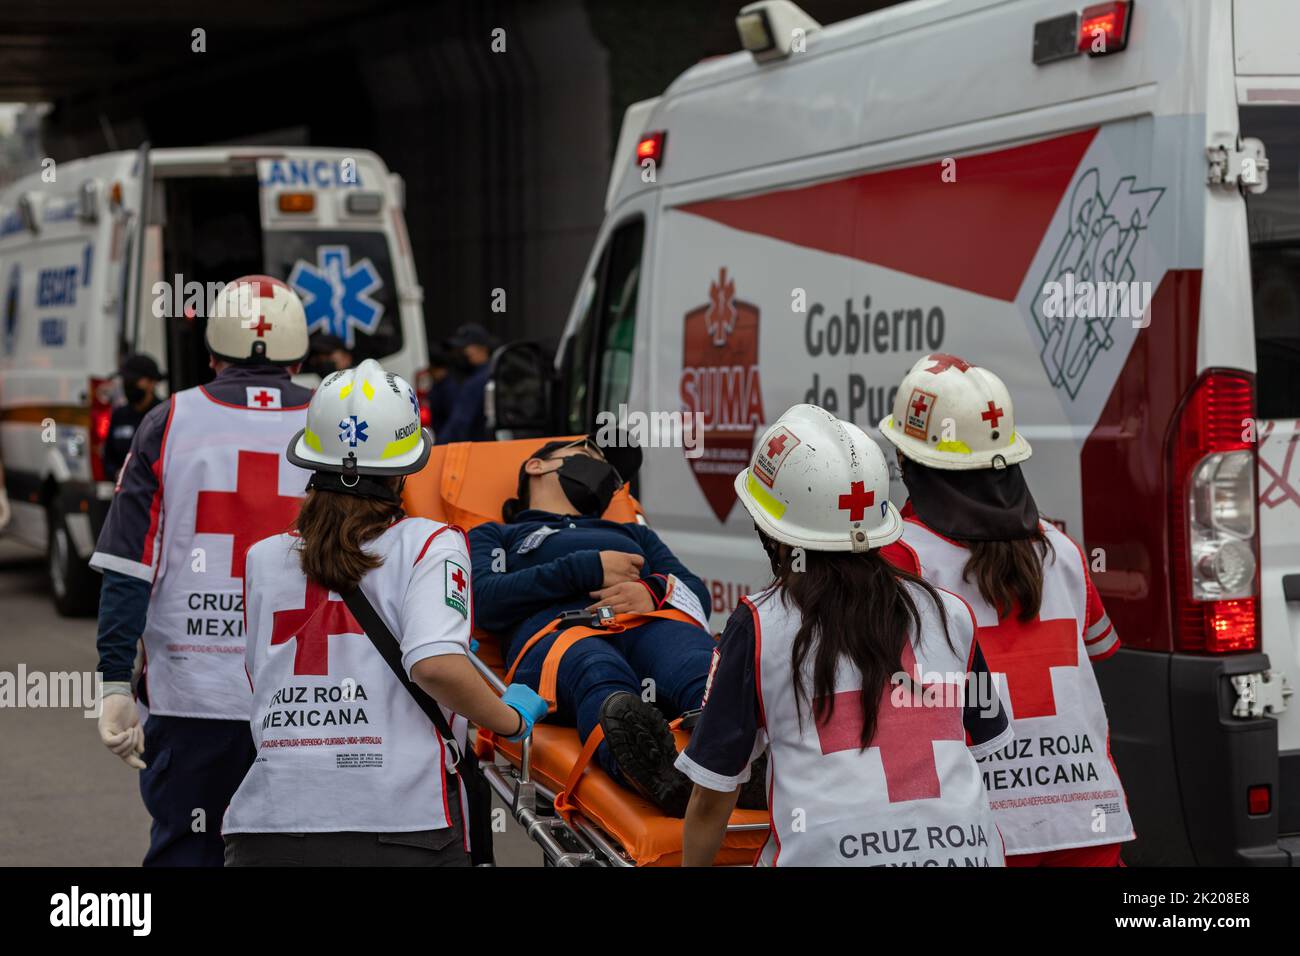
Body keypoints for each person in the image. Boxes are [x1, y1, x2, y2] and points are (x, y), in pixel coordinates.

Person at [223, 359, 547, 866]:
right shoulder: (431, 544)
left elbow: (259, 676)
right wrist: (509, 720)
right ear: (403, 471)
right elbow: (435, 665)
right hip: (399, 825)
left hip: (269, 828)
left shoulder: (262, 558)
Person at [678, 404, 1012, 866]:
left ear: (771, 531)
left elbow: (711, 797)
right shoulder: (950, 613)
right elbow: (988, 745)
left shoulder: (759, 626)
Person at [89, 276, 314, 866]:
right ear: (299, 357)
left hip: (194, 699)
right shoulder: (337, 420)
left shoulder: (169, 421)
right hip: (317, 700)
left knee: (189, 853)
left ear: (212, 353)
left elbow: (128, 568)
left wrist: (114, 683)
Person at [877, 353, 1133, 866]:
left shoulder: (900, 559)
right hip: (1086, 817)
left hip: (978, 829)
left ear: (907, 462)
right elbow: (1097, 653)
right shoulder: (1062, 550)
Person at [469, 436, 760, 816]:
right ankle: (659, 779)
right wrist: (585, 569)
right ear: (536, 466)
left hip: (651, 625)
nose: (601, 468)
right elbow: (484, 599)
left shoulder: (634, 534)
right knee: (597, 670)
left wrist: (653, 590)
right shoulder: (497, 535)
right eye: (587, 454)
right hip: (560, 635)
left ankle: (747, 766)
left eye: (607, 467)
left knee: (698, 664)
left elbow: (695, 593)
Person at [103, 353, 163, 480]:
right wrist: (117, 474)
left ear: (152, 382)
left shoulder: (164, 414)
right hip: (126, 488)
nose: (128, 384)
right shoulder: (119, 415)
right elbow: (108, 459)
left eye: (134, 380)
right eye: (125, 380)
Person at [436, 322, 495, 443]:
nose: (461, 353)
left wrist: (435, 449)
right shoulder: (495, 371)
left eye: (465, 348)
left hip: (476, 447)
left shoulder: (476, 382)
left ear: (482, 348)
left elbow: (458, 425)